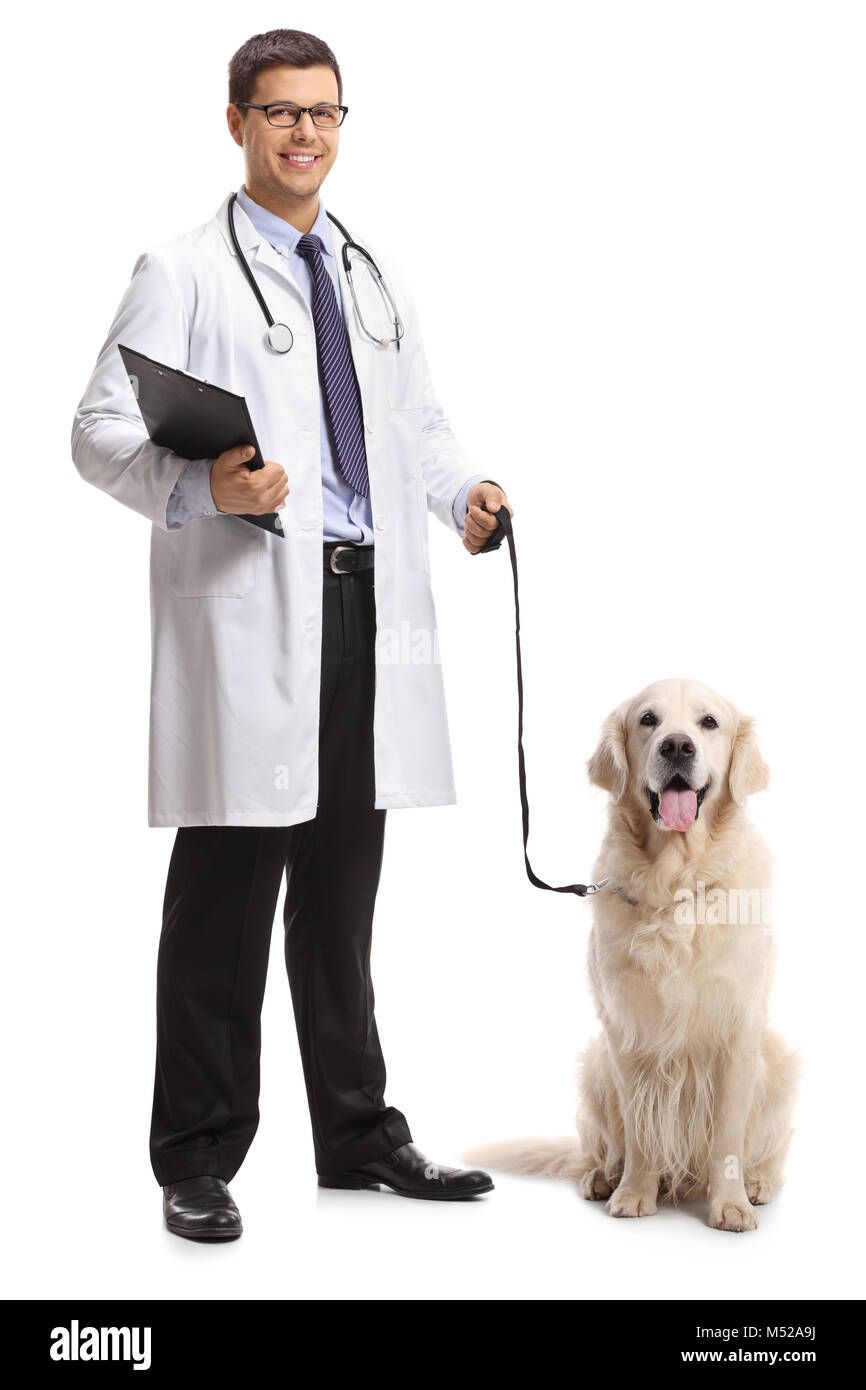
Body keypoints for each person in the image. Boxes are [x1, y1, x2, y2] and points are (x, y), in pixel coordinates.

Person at [71, 27, 513, 1241]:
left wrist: (462, 491)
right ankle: (198, 1154)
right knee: (225, 889)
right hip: (254, 610)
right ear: (235, 123)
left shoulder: (368, 273)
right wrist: (206, 488)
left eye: (323, 113)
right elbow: (97, 429)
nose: (304, 134)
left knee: (340, 885)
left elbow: (416, 422)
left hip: (364, 604)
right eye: (279, 113)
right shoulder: (182, 271)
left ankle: (357, 1133)